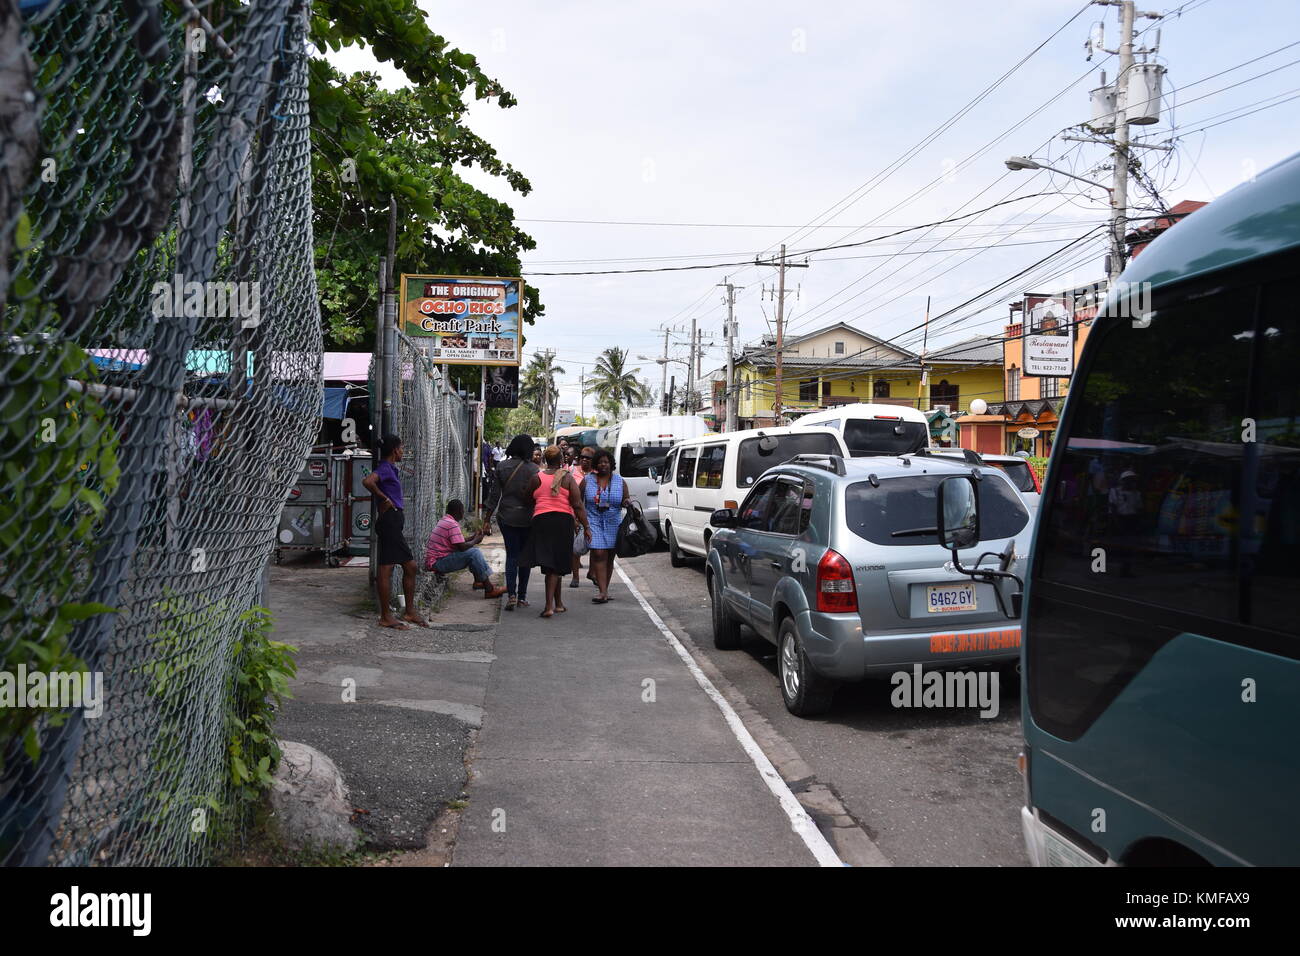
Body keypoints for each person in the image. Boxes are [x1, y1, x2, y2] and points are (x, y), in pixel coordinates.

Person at [361, 434, 428, 629]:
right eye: (401, 448)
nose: (403, 452)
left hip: (393, 521)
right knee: (390, 567)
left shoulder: (391, 469)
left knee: (408, 567)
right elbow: (368, 482)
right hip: (389, 521)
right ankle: (386, 616)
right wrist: (383, 498)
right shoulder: (384, 468)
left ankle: (408, 611)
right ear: (394, 450)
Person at [520, 445, 591, 619]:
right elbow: (577, 505)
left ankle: (556, 605)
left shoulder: (536, 478)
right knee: (555, 564)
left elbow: (527, 498)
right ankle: (550, 606)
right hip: (562, 522)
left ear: (545, 460)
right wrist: (586, 526)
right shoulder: (567, 478)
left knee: (551, 565)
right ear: (560, 460)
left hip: (542, 522)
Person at [425, 499, 507, 598]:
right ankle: (489, 590)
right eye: (463, 511)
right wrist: (476, 541)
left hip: (437, 560)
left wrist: (473, 537)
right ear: (459, 511)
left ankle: (478, 581)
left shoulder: (446, 520)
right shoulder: (452, 524)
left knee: (471, 552)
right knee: (473, 553)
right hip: (437, 563)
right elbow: (462, 547)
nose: (463, 513)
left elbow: (459, 541)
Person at [496, 434, 540, 611]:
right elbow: (537, 497)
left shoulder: (501, 466)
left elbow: (493, 496)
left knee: (512, 555)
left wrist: (485, 520)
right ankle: (522, 597)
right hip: (528, 518)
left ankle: (511, 595)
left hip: (507, 517)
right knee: (525, 558)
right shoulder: (534, 470)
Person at [582, 448, 628, 604]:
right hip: (593, 520)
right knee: (599, 553)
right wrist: (577, 519)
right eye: (600, 462)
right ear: (596, 464)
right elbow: (576, 500)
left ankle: (604, 590)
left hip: (613, 521)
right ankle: (602, 592)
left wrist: (627, 503)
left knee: (609, 557)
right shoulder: (588, 480)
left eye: (606, 462)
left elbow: (625, 499)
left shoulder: (619, 481)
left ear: (611, 464)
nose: (603, 465)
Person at [569, 445, 597, 588]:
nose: (584, 460)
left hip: (593, 516)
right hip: (576, 515)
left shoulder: (596, 475)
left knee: (595, 547)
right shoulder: (572, 471)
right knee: (576, 548)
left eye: (588, 458)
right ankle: (575, 577)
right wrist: (574, 518)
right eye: (582, 457)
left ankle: (592, 572)